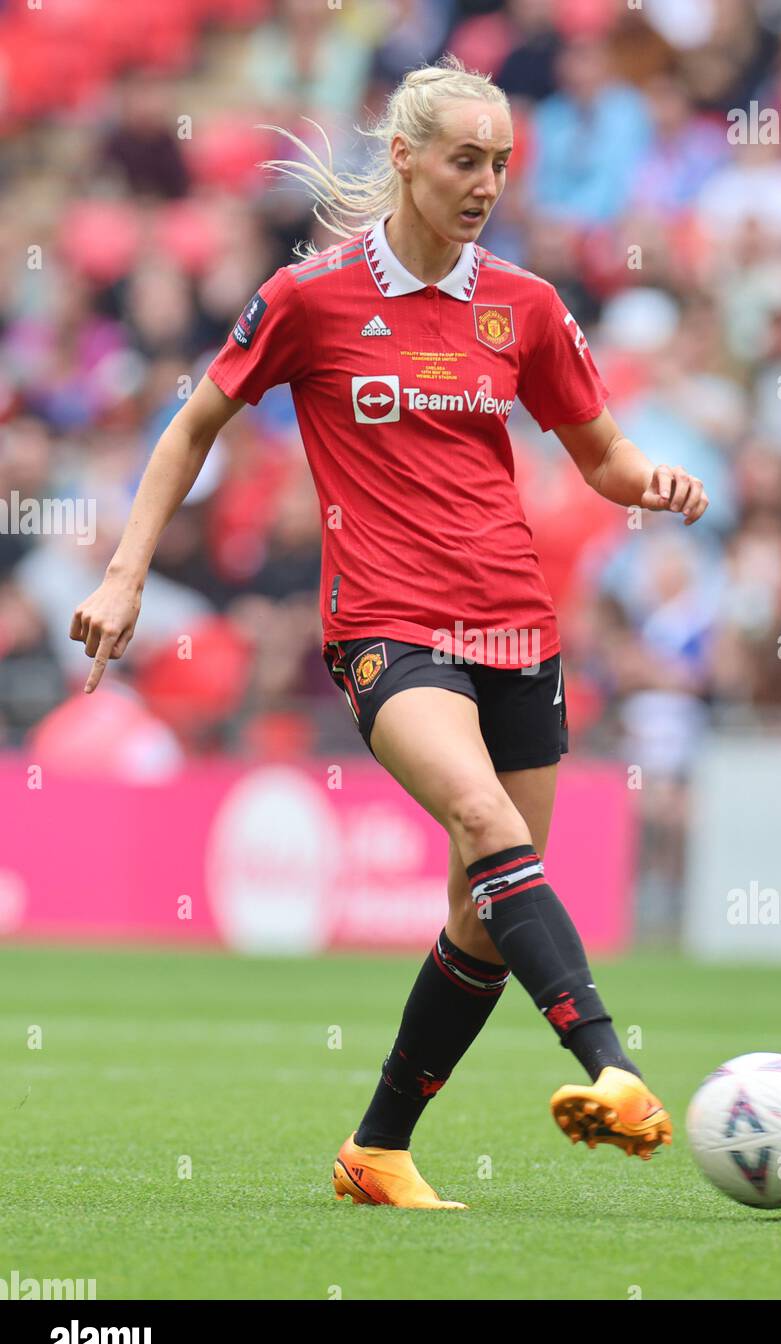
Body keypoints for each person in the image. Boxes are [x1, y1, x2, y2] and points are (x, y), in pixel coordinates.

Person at [69, 55, 708, 1210]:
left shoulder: (525, 305)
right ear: (404, 157)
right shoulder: (307, 298)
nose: (486, 182)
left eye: (501, 163)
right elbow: (190, 426)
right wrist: (124, 576)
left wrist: (648, 480)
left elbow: (598, 453)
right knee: (483, 819)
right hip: (387, 629)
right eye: (465, 159)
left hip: (518, 628)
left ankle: (376, 1149)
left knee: (483, 904)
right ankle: (610, 1063)